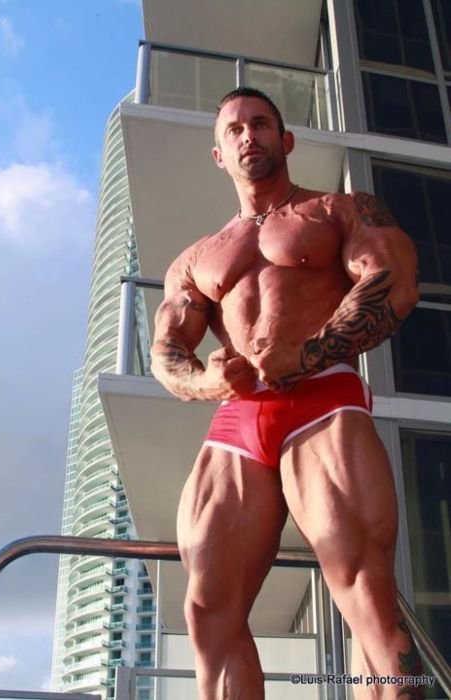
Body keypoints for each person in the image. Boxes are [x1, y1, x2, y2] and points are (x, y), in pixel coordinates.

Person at [150, 87, 421, 699]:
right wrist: (207, 380)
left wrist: (309, 352)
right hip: (238, 418)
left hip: (322, 399)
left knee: (365, 592)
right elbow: (167, 351)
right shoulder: (196, 259)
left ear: (286, 139)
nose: (249, 135)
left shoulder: (338, 211)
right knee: (207, 608)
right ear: (219, 154)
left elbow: (394, 280)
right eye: (234, 129)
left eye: (261, 123)